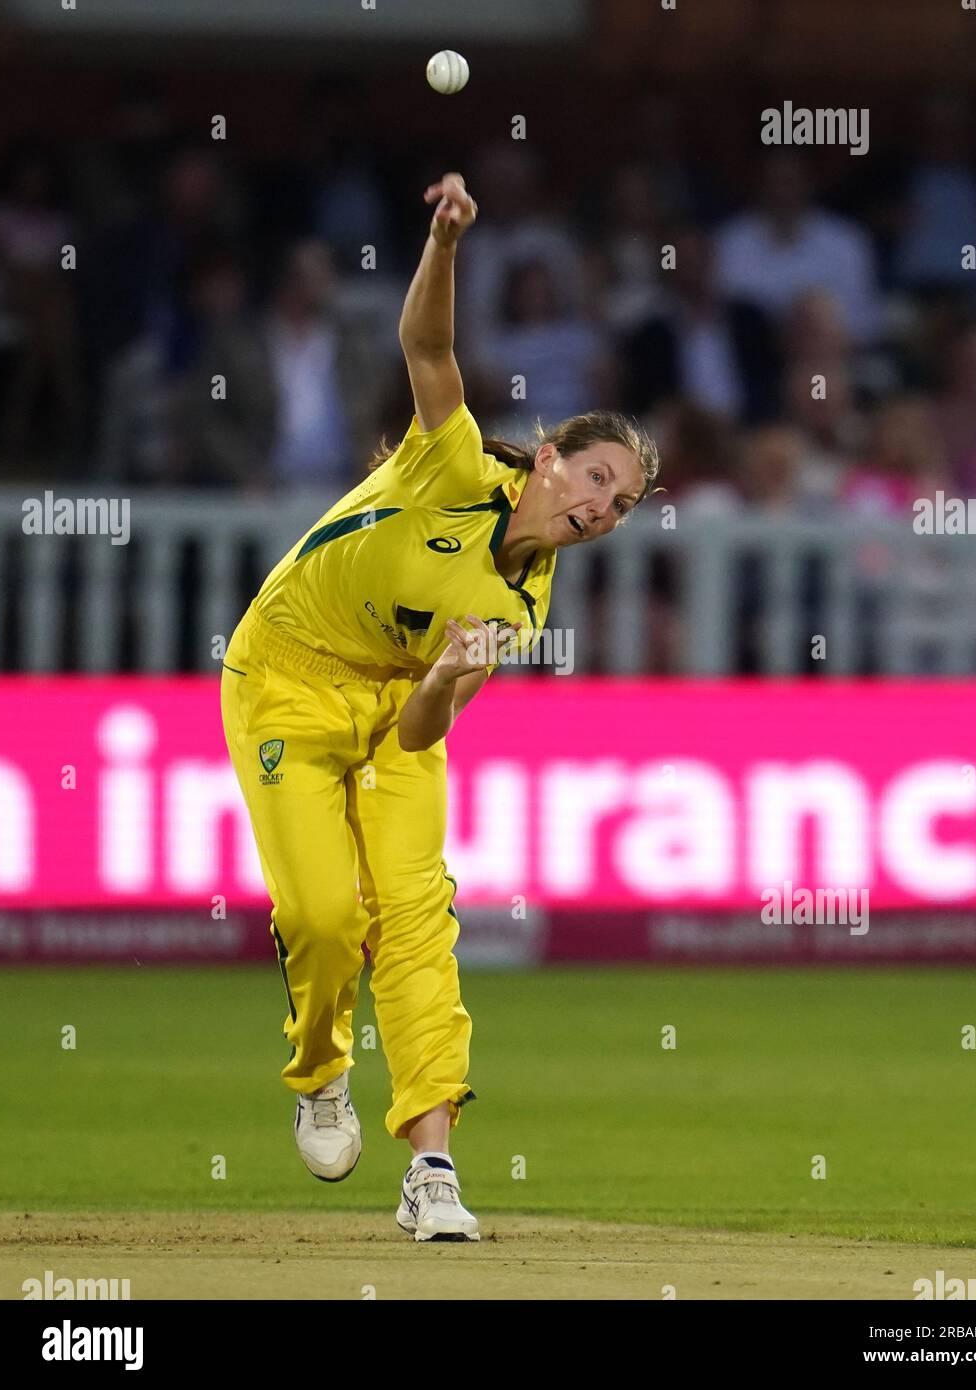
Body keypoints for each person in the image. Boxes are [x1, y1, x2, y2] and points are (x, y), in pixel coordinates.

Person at [220, 172, 659, 1242]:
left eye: (621, 504)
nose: (600, 508)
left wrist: (438, 682)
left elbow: (421, 733)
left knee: (416, 925)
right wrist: (447, 240)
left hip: (392, 714)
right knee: (326, 919)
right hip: (283, 671)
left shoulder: (521, 602)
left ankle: (432, 1173)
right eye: (594, 478)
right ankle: (320, 1072)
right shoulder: (455, 467)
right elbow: (427, 351)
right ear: (548, 455)